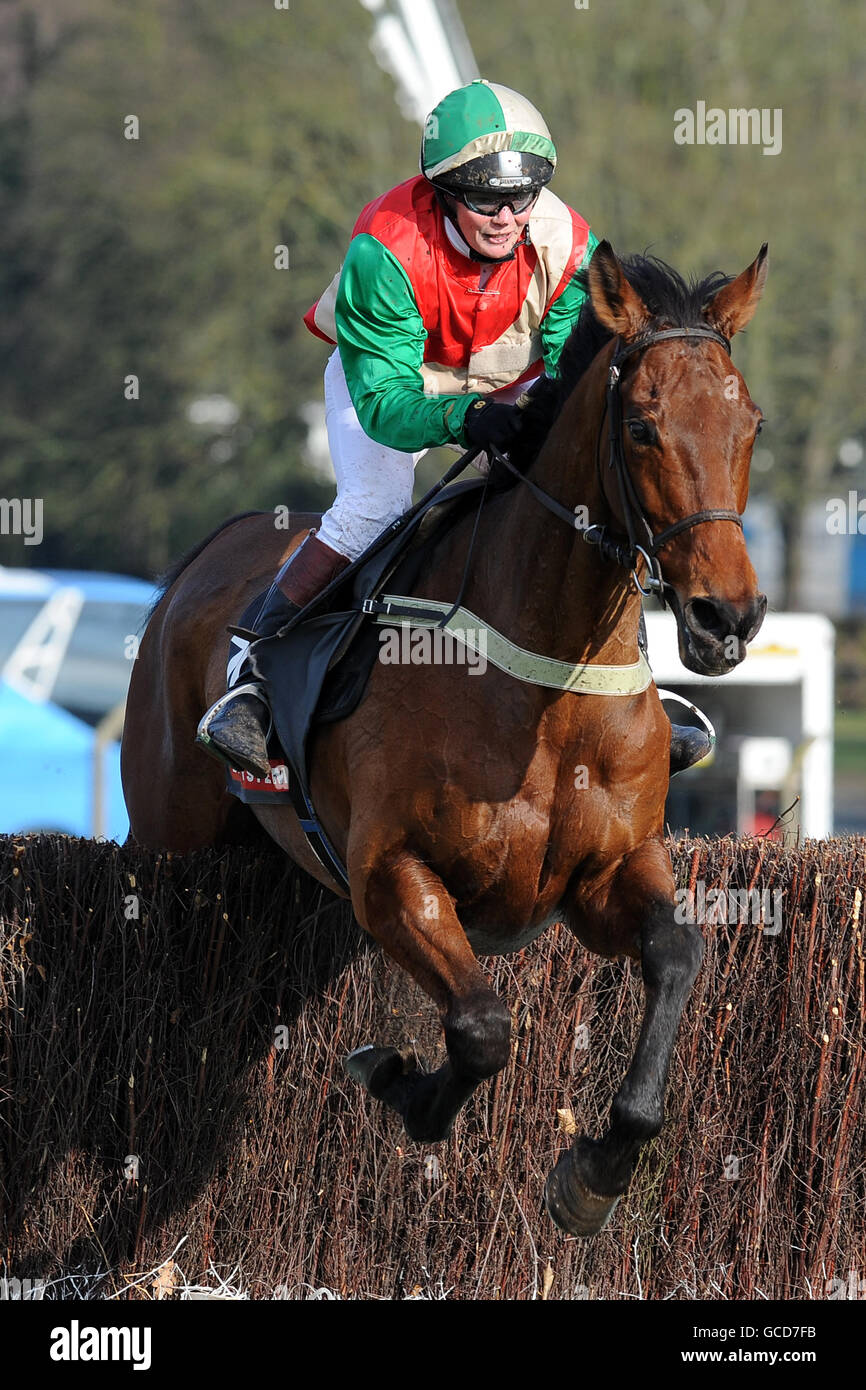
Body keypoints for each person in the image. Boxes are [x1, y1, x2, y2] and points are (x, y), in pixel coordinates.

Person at [197, 79, 708, 779]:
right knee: (371, 510)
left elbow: (566, 365)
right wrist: (465, 417)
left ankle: (641, 690)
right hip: (395, 377)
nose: (506, 217)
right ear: (443, 190)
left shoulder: (568, 244)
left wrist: (537, 427)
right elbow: (385, 404)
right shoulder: (384, 250)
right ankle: (249, 678)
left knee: (585, 497)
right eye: (484, 199)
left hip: (509, 376)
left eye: (521, 197)